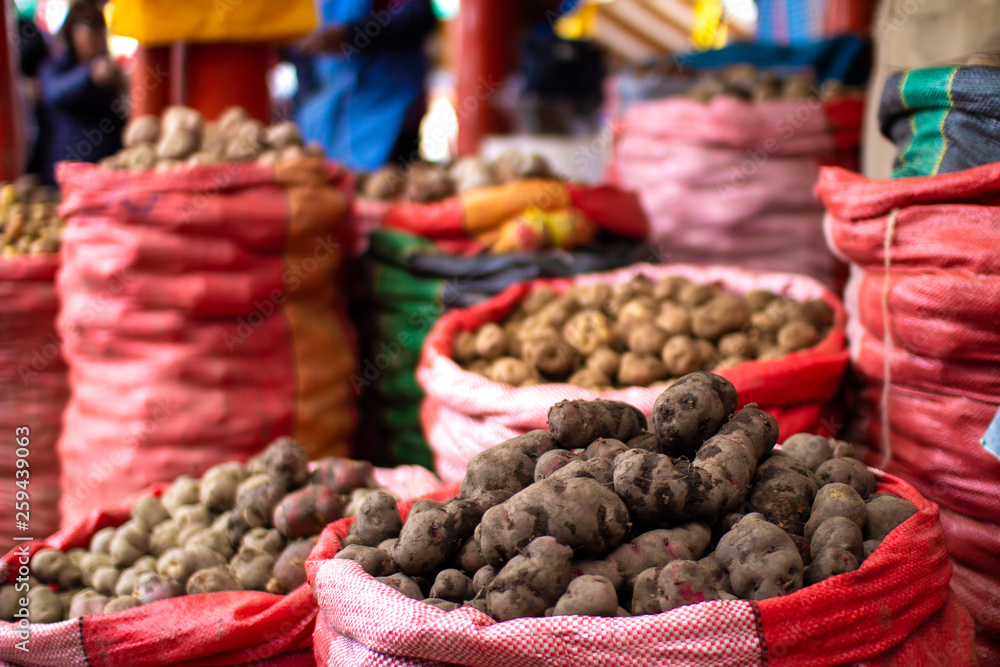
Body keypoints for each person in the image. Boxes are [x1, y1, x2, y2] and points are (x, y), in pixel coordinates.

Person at [295, 0, 436, 171]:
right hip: (332, 105)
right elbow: (298, 51)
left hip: (390, 103)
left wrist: (350, 35)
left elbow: (417, 18)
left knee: (391, 177)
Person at [34, 2, 124, 185]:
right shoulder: (55, 66)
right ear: (72, 33)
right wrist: (89, 75)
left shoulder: (108, 69)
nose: (98, 37)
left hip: (102, 173)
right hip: (64, 173)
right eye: (91, 29)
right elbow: (52, 94)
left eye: (101, 30)